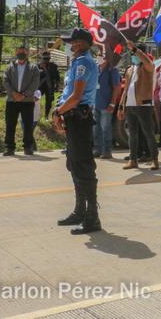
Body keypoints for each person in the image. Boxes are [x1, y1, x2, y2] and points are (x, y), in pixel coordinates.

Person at [53, 28, 101, 234]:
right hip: (73, 118)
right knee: (74, 165)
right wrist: (60, 110)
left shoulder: (83, 63)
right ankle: (80, 210)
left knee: (82, 167)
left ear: (80, 43)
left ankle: (92, 218)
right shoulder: (79, 62)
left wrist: (57, 111)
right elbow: (67, 94)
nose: (69, 46)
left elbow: (76, 96)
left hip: (79, 118)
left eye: (72, 43)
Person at [118, 42, 158, 171]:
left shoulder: (148, 67)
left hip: (143, 105)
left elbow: (146, 60)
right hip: (131, 105)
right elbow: (126, 89)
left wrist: (135, 49)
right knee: (132, 134)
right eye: (132, 54)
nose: (133, 56)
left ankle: (154, 159)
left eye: (134, 54)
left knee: (148, 133)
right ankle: (133, 160)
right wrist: (121, 106)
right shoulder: (130, 69)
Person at [3, 45, 41, 156]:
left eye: (23, 52)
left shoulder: (33, 68)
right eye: (19, 52)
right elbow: (5, 81)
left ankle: (28, 147)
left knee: (28, 125)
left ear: (27, 53)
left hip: (27, 101)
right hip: (12, 100)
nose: (21, 54)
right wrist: (13, 93)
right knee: (10, 124)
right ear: (16, 52)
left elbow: (35, 83)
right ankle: (9, 148)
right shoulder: (10, 67)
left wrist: (24, 95)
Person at [92, 56, 121, 159]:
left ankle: (107, 151)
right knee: (96, 128)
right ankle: (97, 149)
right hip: (96, 103)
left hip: (106, 104)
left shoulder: (112, 70)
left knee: (105, 128)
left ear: (107, 58)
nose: (98, 57)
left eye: (102, 56)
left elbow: (117, 87)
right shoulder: (96, 68)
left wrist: (112, 103)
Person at [38, 50, 61, 119]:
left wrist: (57, 84)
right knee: (35, 101)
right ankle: (34, 116)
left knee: (49, 102)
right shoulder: (37, 66)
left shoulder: (54, 66)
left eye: (48, 58)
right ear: (41, 58)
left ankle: (46, 116)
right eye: (45, 58)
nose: (47, 60)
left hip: (50, 87)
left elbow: (57, 76)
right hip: (39, 87)